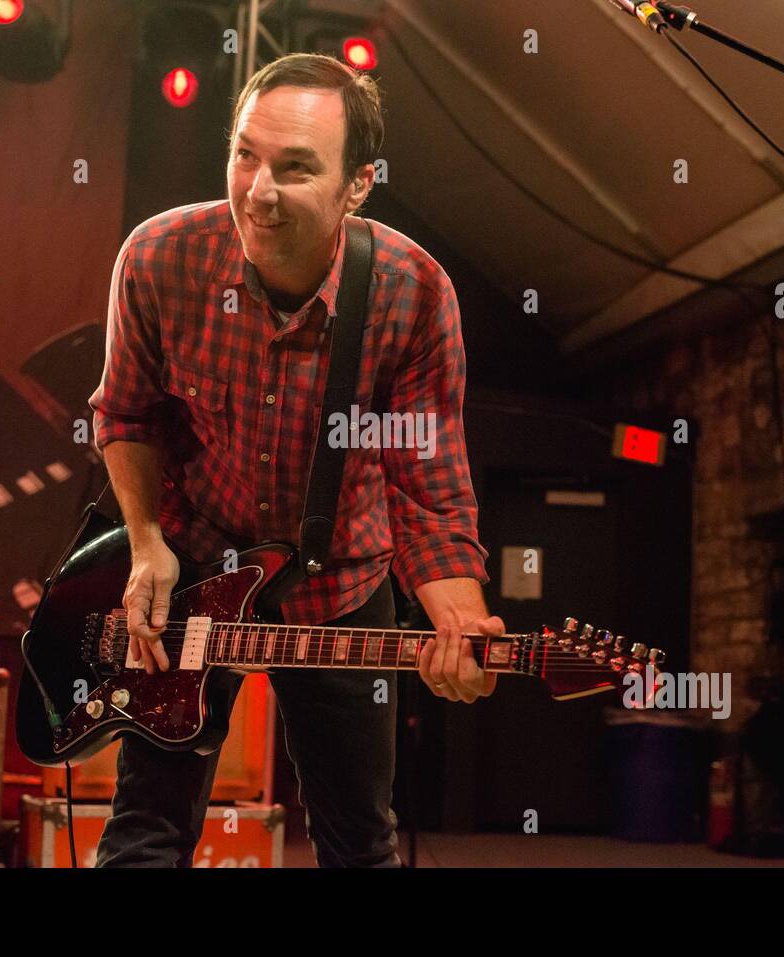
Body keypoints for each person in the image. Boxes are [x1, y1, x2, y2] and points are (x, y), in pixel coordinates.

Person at [89, 52, 502, 868]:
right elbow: (126, 415)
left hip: (340, 582)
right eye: (247, 154)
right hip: (195, 565)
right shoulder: (158, 258)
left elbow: (428, 491)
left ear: (359, 183)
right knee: (144, 833)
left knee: (359, 842)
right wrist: (145, 543)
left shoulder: (413, 292)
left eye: (297, 167)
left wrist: (458, 622)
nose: (260, 190)